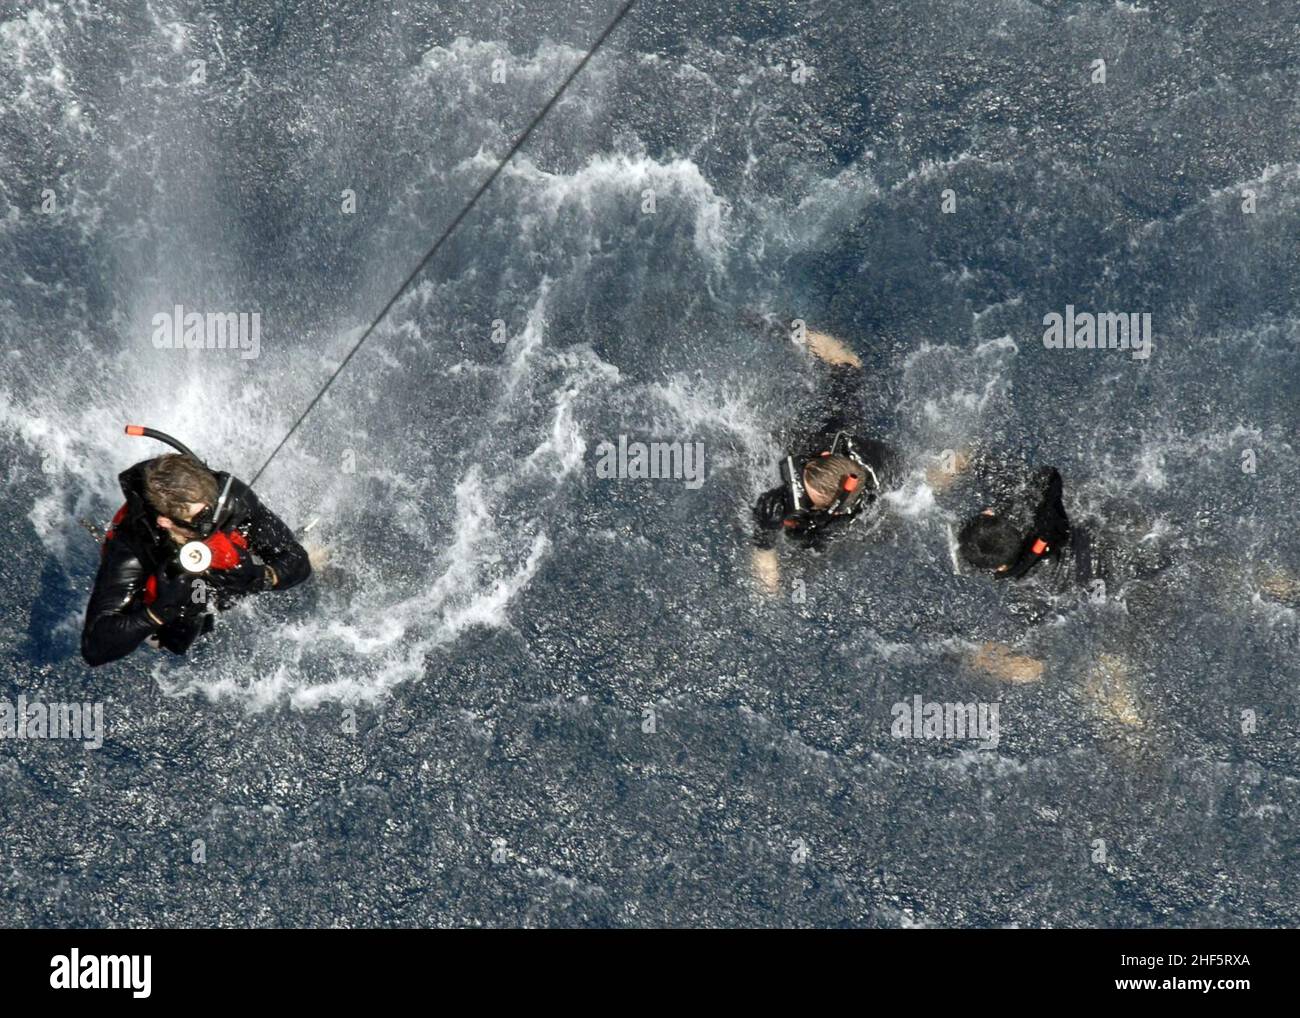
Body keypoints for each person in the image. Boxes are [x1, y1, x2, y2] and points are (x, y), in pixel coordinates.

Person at [82, 447, 311, 666]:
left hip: (230, 563)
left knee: (295, 559)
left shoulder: (228, 498)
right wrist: (159, 612)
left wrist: (263, 577)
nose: (210, 524)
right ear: (166, 522)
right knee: (175, 636)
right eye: (199, 521)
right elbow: (93, 649)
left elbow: (297, 559)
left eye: (210, 511)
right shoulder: (132, 544)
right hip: (166, 589)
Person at [749, 323, 902, 595]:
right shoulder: (821, 442)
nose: (794, 491)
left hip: (867, 486)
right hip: (823, 453)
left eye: (807, 497)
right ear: (818, 459)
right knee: (848, 369)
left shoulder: (886, 474)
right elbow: (846, 363)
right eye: (800, 480)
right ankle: (783, 324)